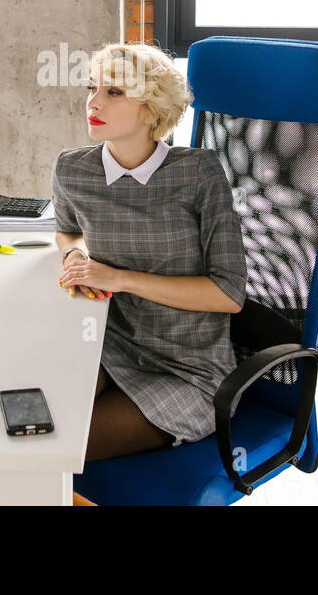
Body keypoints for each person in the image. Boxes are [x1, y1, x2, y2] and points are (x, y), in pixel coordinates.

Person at [51, 43, 246, 461]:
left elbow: (228, 294)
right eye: (93, 88)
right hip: (111, 345)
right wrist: (75, 258)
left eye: (114, 92)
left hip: (188, 368)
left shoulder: (199, 173)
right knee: (29, 422)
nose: (94, 102)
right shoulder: (71, 170)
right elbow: (67, 232)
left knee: (63, 447)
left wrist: (119, 278)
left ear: (151, 109)